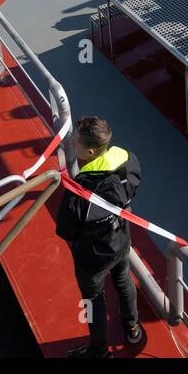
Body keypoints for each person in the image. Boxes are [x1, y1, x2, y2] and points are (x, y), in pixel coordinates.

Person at [56, 116, 143, 358]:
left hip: (92, 256)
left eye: (76, 144)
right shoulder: (128, 161)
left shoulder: (79, 189)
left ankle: (100, 351)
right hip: (121, 240)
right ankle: (132, 328)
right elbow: (133, 188)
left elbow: (66, 229)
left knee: (94, 299)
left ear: (90, 151)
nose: (72, 146)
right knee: (124, 280)